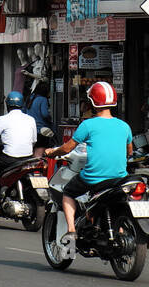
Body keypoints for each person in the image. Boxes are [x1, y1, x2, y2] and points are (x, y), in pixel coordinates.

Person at [45, 81, 133, 259]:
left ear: (93, 102)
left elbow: (67, 148)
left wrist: (53, 152)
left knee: (68, 192)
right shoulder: (124, 126)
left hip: (95, 177)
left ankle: (71, 230)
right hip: (120, 178)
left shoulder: (88, 125)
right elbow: (129, 151)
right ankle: (119, 230)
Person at [0, 92, 38, 212]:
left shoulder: (4, 119)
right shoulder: (31, 119)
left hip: (9, 158)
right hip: (27, 158)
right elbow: (34, 140)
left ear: (7, 105)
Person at [26, 82, 53, 155]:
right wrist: (50, 119)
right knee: (38, 155)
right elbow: (45, 114)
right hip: (41, 130)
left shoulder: (30, 97)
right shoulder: (43, 99)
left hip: (30, 130)